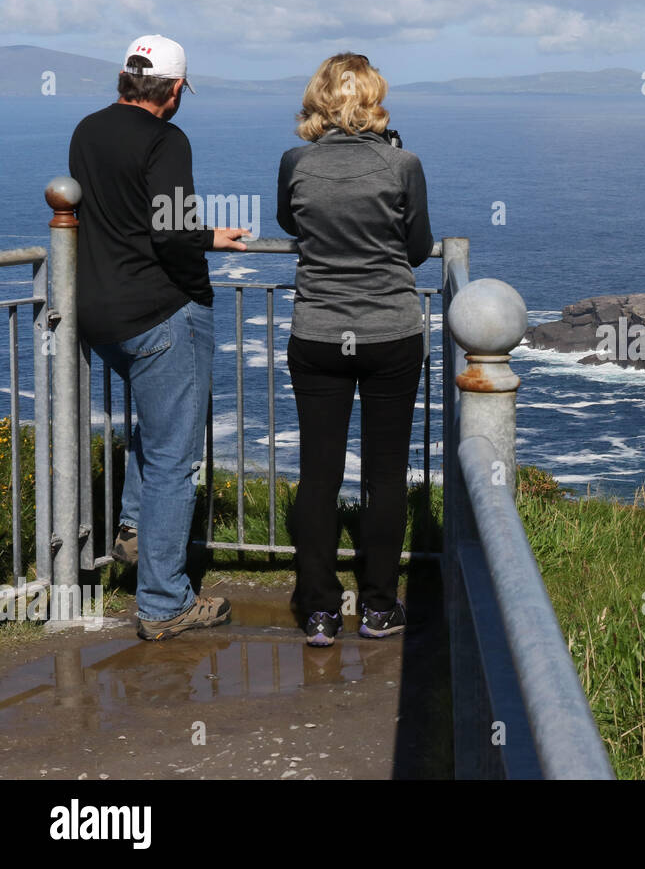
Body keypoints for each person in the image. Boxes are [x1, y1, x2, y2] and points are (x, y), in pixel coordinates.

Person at [69, 34, 249, 640]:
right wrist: (210, 237)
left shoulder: (86, 130)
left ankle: (133, 531)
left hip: (98, 314)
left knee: (159, 426)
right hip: (157, 313)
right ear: (173, 90)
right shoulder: (166, 140)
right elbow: (171, 231)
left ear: (126, 79)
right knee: (176, 457)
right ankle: (163, 604)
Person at [277, 53, 433, 647]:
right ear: (374, 100)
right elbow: (417, 249)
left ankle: (318, 610)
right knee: (385, 476)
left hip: (317, 332)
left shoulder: (295, 162)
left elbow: (288, 223)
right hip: (390, 332)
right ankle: (377, 606)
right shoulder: (403, 164)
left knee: (318, 473)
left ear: (318, 99)